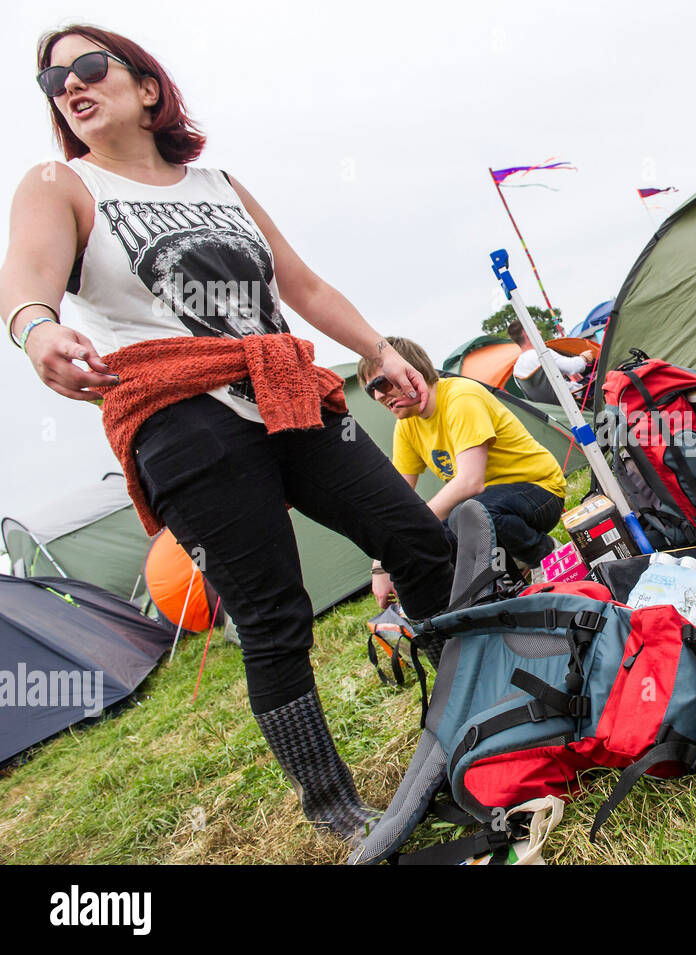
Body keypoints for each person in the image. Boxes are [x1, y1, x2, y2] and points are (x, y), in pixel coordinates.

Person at [0, 26, 456, 844]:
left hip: (282, 387)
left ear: (146, 87)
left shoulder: (219, 182)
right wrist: (37, 331)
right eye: (52, 78)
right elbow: (26, 281)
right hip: (176, 410)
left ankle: (469, 716)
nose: (69, 83)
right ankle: (337, 808)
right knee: (273, 611)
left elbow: (303, 283)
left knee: (418, 540)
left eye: (89, 65)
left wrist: (379, 350)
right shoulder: (58, 182)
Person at [357, 337, 566, 608]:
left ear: (408, 370)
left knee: (466, 513)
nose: (377, 396)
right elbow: (397, 502)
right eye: (370, 390)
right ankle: (501, 585)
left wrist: (417, 528)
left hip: (540, 492)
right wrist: (382, 564)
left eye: (380, 384)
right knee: (441, 536)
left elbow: (470, 482)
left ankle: (545, 553)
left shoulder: (459, 397)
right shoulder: (407, 426)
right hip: (488, 506)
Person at [508, 318, 595, 406]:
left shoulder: (516, 370)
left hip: (555, 411)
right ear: (526, 333)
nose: (540, 332)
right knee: (603, 373)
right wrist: (584, 357)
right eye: (536, 329)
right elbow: (574, 367)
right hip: (577, 400)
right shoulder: (542, 354)